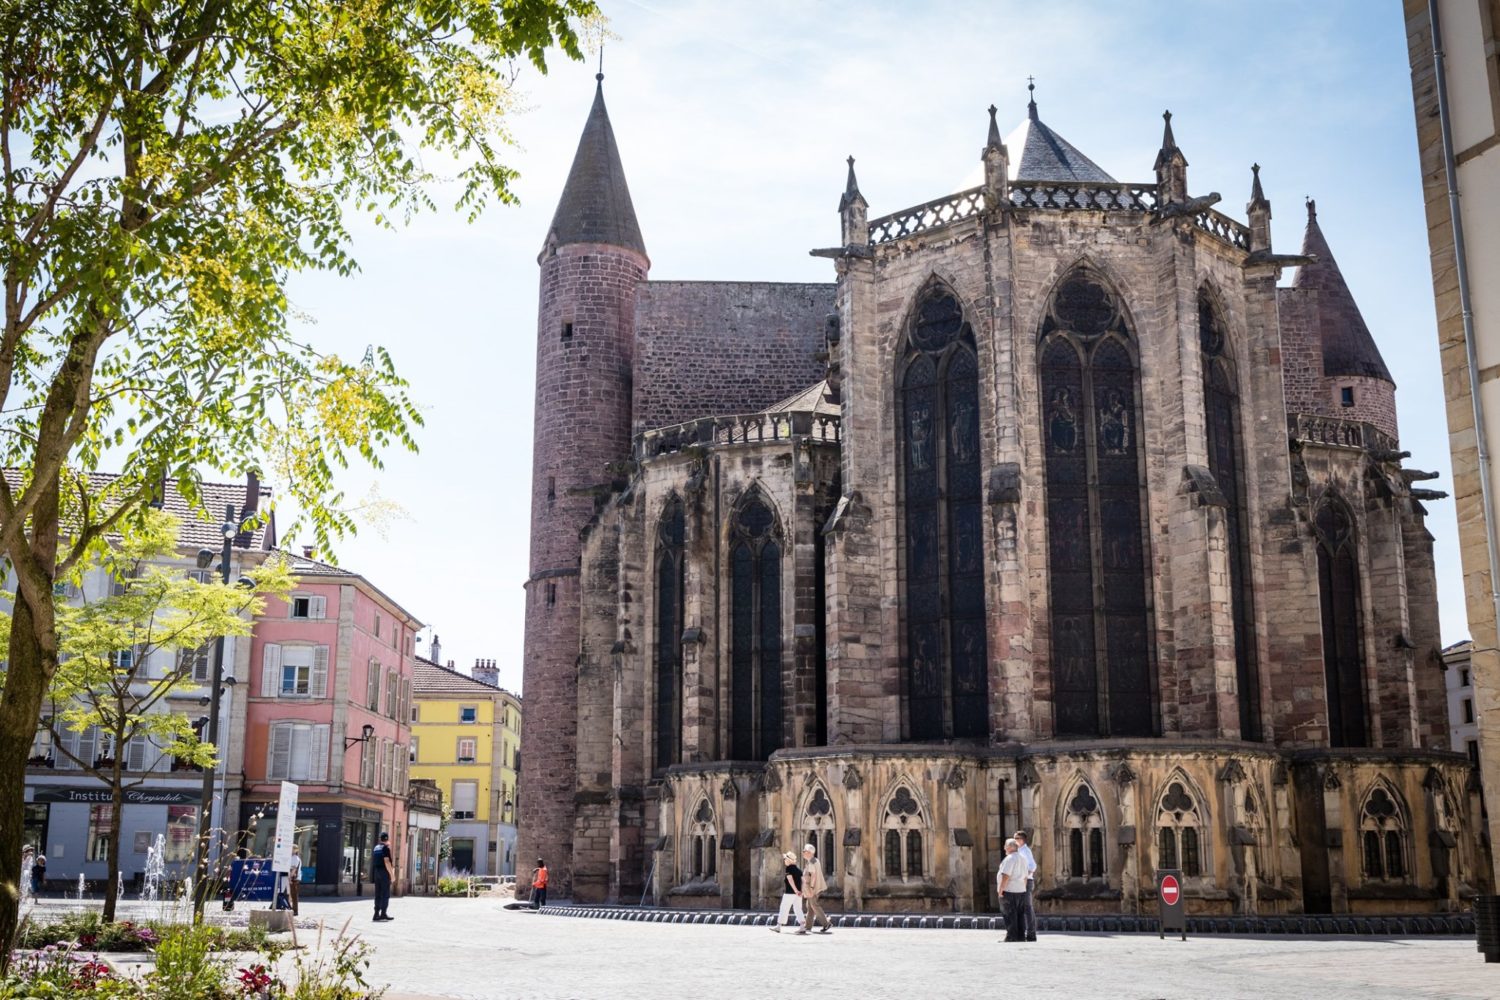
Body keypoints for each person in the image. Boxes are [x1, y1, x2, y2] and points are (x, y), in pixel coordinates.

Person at [996, 838, 1029, 943]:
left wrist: (1001, 890)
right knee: (1019, 915)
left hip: (1009, 891)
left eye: (1005, 845)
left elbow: (1006, 876)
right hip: (1021, 891)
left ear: (1010, 847)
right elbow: (1025, 877)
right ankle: (1020, 936)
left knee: (1010, 914)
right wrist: (1023, 889)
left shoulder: (1009, 859)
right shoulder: (1023, 859)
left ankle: (1011, 936)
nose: (1004, 848)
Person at [797, 843, 832, 935]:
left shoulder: (812, 862)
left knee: (814, 905)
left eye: (804, 851)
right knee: (810, 906)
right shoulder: (813, 860)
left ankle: (826, 923)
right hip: (812, 887)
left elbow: (813, 876)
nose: (803, 853)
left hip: (812, 888)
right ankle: (808, 926)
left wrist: (812, 888)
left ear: (809, 852)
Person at [770, 850, 804, 932]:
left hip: (790, 893)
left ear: (789, 860)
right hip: (798, 894)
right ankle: (802, 926)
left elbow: (790, 880)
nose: (784, 860)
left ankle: (778, 926)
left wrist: (795, 890)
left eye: (785, 859)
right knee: (798, 909)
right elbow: (803, 881)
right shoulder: (798, 870)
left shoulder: (788, 869)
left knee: (784, 908)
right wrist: (800, 891)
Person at [1014, 829, 1038, 942]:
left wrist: (1023, 878)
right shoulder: (1020, 851)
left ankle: (1031, 934)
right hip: (1022, 882)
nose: (1014, 840)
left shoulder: (1025, 851)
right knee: (1024, 908)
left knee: (1028, 908)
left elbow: (1032, 867)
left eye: (1016, 838)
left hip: (1026, 882)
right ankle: (1024, 932)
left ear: (1022, 840)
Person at [371, 831, 394, 921]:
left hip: (377, 872)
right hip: (384, 872)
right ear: (387, 839)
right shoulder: (385, 848)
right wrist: (392, 875)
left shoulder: (376, 848)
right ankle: (383, 913)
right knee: (385, 894)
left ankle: (376, 914)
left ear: (380, 839)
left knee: (378, 894)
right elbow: (387, 862)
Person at [288, 844, 302, 916]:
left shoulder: (295, 858)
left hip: (294, 878)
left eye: (292, 849)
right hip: (294, 878)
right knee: (292, 894)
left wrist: (290, 878)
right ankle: (292, 909)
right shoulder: (294, 858)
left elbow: (294, 869)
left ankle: (295, 911)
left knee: (293, 895)